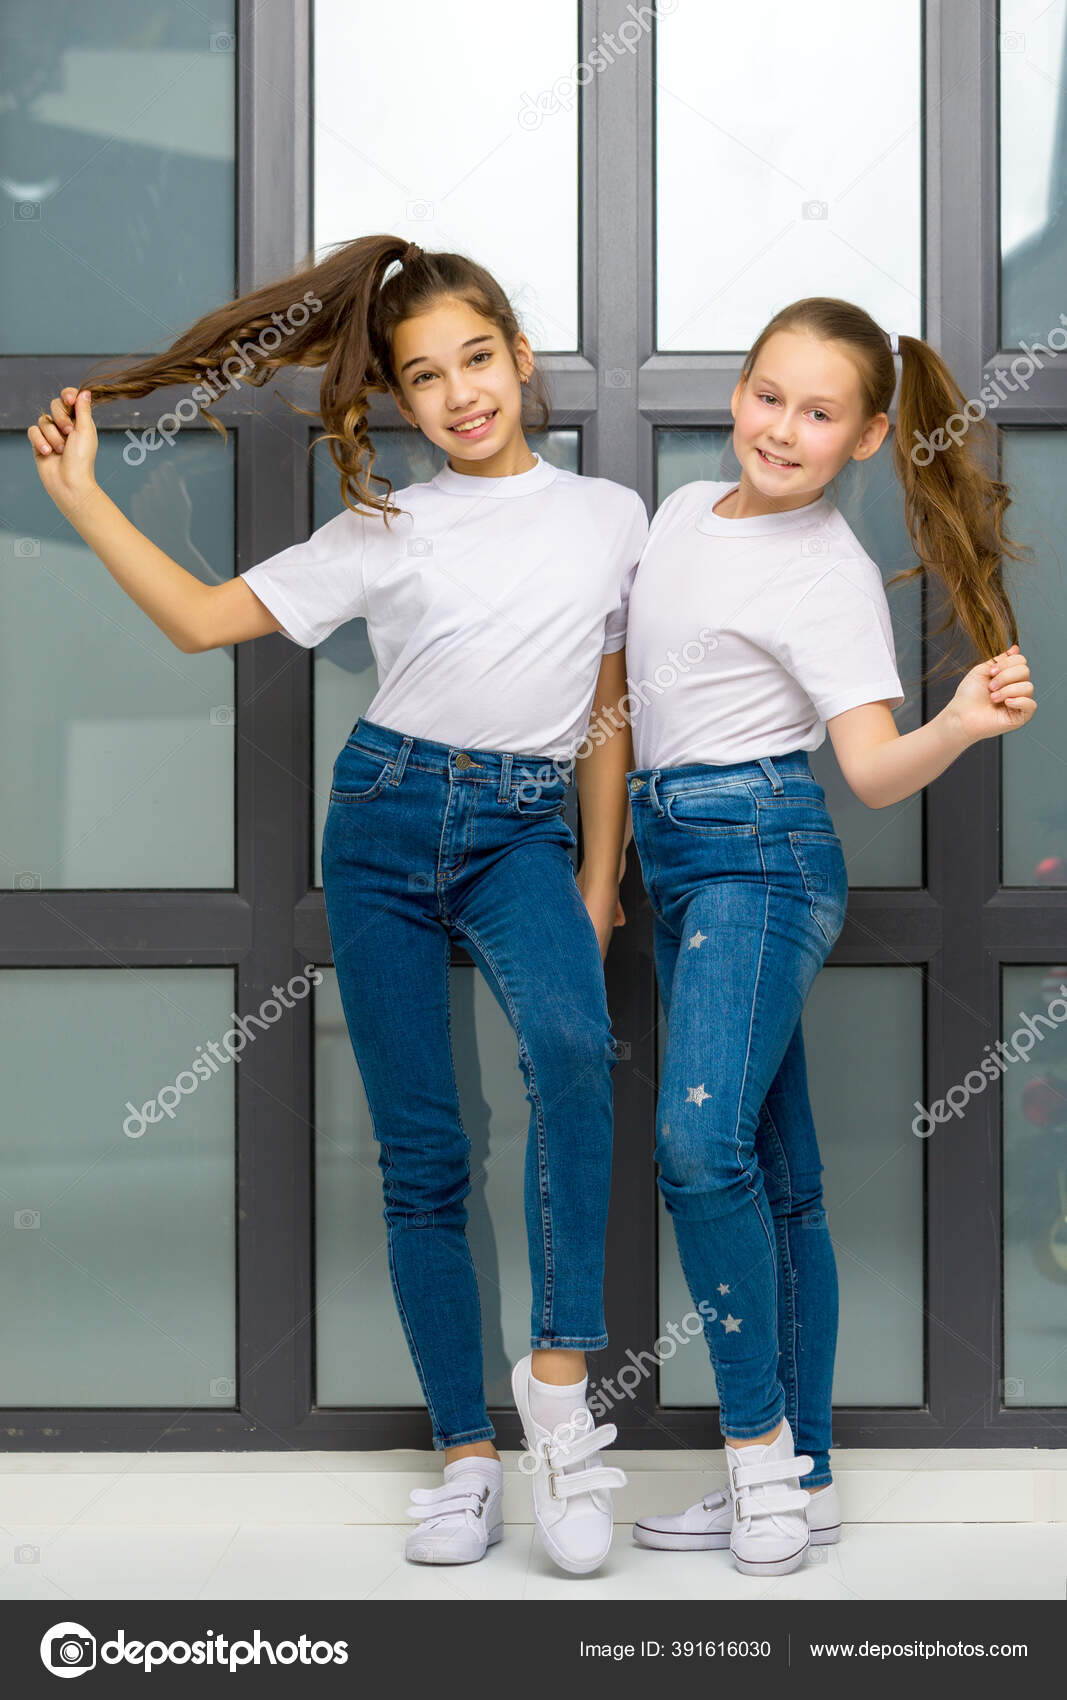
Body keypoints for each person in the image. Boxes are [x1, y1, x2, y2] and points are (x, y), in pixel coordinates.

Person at [26, 234, 645, 1576]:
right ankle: (463, 1457)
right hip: (378, 824)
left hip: (520, 831)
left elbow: (607, 704)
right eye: (424, 377)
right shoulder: (385, 527)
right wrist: (81, 499)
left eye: (476, 359)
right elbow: (200, 620)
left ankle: (556, 1402)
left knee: (574, 1057)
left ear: (520, 358)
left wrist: (597, 876)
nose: (459, 394)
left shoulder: (608, 517)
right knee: (426, 1151)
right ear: (399, 403)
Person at [621, 297, 1036, 1577]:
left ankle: (755, 1462)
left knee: (696, 1148)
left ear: (864, 437)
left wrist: (957, 721)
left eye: (817, 412)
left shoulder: (828, 576)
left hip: (759, 855)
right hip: (672, 858)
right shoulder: (681, 513)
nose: (780, 428)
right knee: (771, 1170)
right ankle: (802, 1468)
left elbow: (864, 771)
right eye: (765, 395)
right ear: (735, 392)